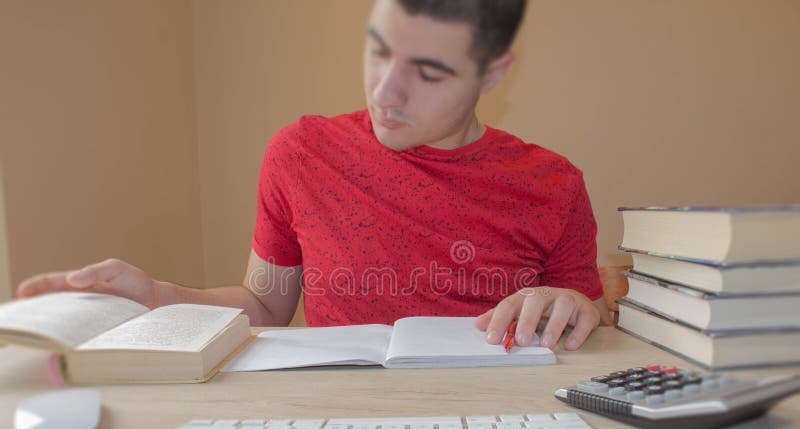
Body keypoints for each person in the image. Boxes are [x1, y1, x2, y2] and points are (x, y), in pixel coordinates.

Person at [16, 0, 611, 351]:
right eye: (378, 51)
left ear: (492, 73)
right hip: (334, 423)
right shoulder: (300, 154)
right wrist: (161, 298)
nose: (385, 92)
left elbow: (581, 316)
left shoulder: (552, 185)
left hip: (495, 428)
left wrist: (574, 304)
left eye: (428, 72)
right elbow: (267, 307)